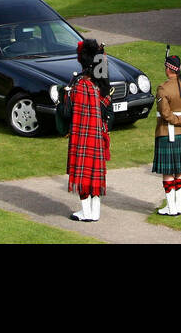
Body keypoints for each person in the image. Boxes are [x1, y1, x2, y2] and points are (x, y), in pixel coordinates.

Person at [66, 38, 111, 222]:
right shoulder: (99, 89)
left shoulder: (80, 86)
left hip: (81, 136)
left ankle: (86, 212)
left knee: (83, 174)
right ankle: (95, 212)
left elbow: (67, 112)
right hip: (98, 135)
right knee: (95, 175)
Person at [153, 48, 181, 216]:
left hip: (167, 132)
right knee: (180, 171)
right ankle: (179, 206)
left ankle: (172, 208)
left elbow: (165, 114)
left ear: (168, 69)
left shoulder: (163, 89)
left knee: (168, 172)